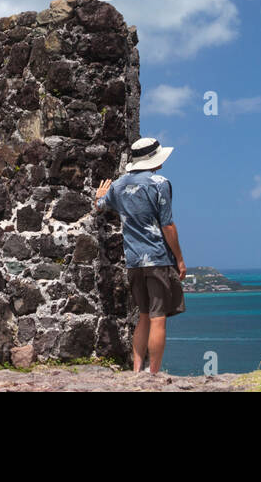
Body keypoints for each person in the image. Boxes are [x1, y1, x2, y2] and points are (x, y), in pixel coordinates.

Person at [93, 136, 185, 374]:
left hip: (133, 261)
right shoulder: (160, 183)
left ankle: (136, 371)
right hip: (157, 258)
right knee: (158, 317)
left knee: (143, 316)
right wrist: (180, 259)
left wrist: (98, 197)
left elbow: (100, 205)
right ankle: (153, 373)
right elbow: (167, 226)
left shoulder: (119, 185)